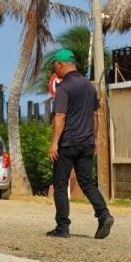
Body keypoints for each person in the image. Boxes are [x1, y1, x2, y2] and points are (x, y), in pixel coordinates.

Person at [46, 49, 114, 239]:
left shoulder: (64, 88)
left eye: (55, 66)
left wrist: (54, 144)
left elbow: (60, 115)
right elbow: (95, 116)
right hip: (86, 143)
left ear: (60, 64)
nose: (55, 70)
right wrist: (93, 140)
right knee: (88, 183)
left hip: (67, 143)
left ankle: (62, 227)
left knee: (60, 185)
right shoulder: (89, 86)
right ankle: (103, 215)